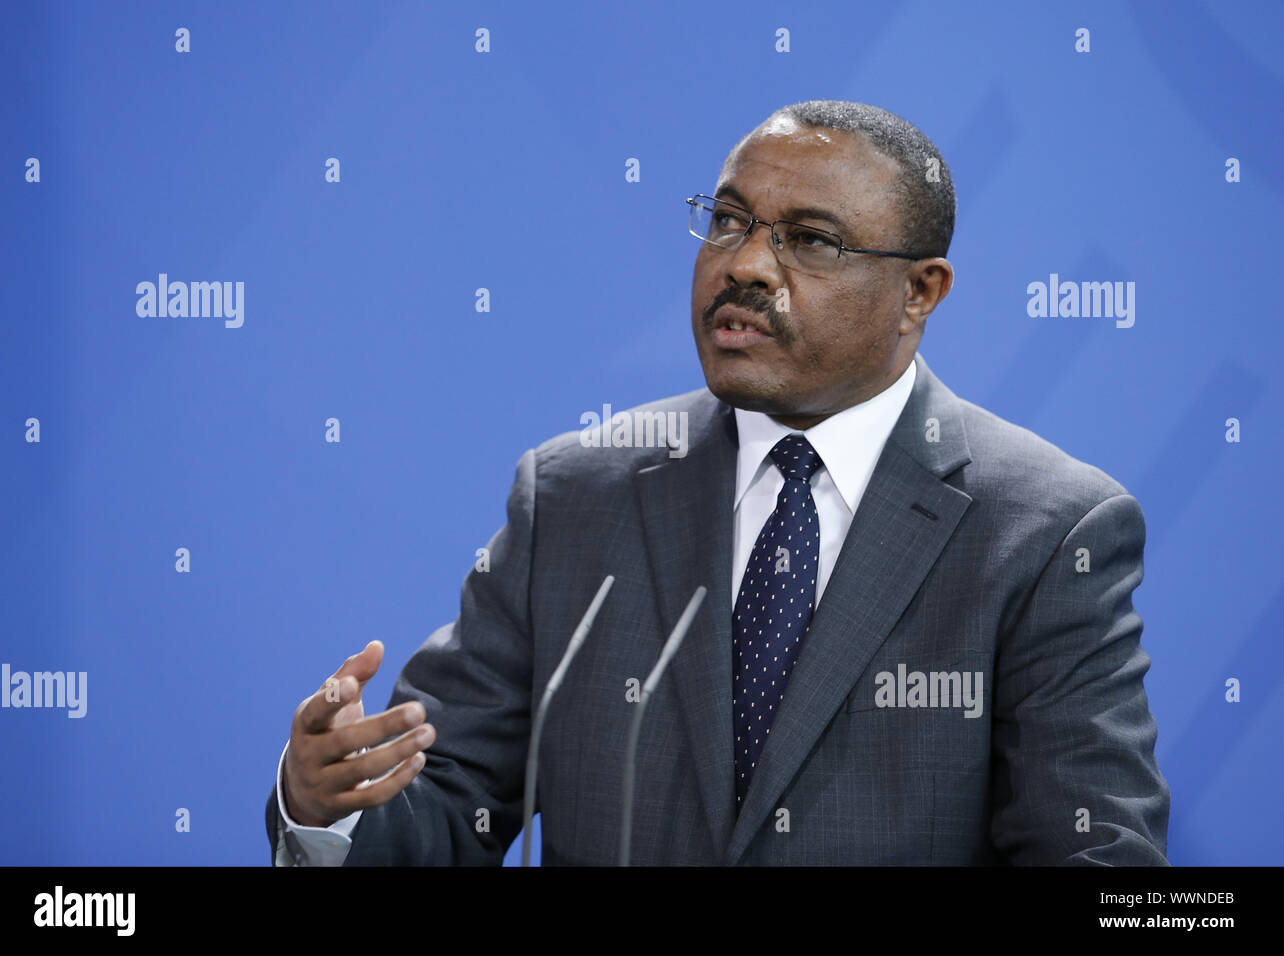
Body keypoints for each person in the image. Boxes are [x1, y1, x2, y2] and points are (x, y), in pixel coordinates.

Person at [265, 100, 1171, 865]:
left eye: (809, 239)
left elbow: (1094, 854)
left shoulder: (1047, 530)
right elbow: (452, 802)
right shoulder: (575, 496)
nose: (742, 264)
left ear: (920, 293)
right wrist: (329, 803)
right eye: (729, 220)